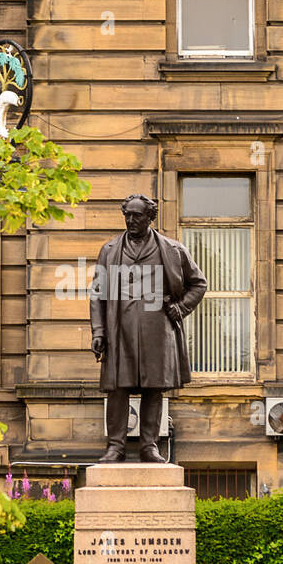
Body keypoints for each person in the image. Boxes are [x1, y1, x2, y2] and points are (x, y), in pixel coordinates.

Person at [89, 193, 207, 464]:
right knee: (118, 389)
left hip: (158, 330)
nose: (131, 220)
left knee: (154, 389)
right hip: (120, 329)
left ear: (150, 217)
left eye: (137, 215)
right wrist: (98, 331)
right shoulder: (109, 251)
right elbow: (97, 294)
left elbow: (198, 283)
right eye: (127, 215)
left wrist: (181, 308)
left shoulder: (173, 250)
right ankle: (115, 446)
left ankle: (148, 446)